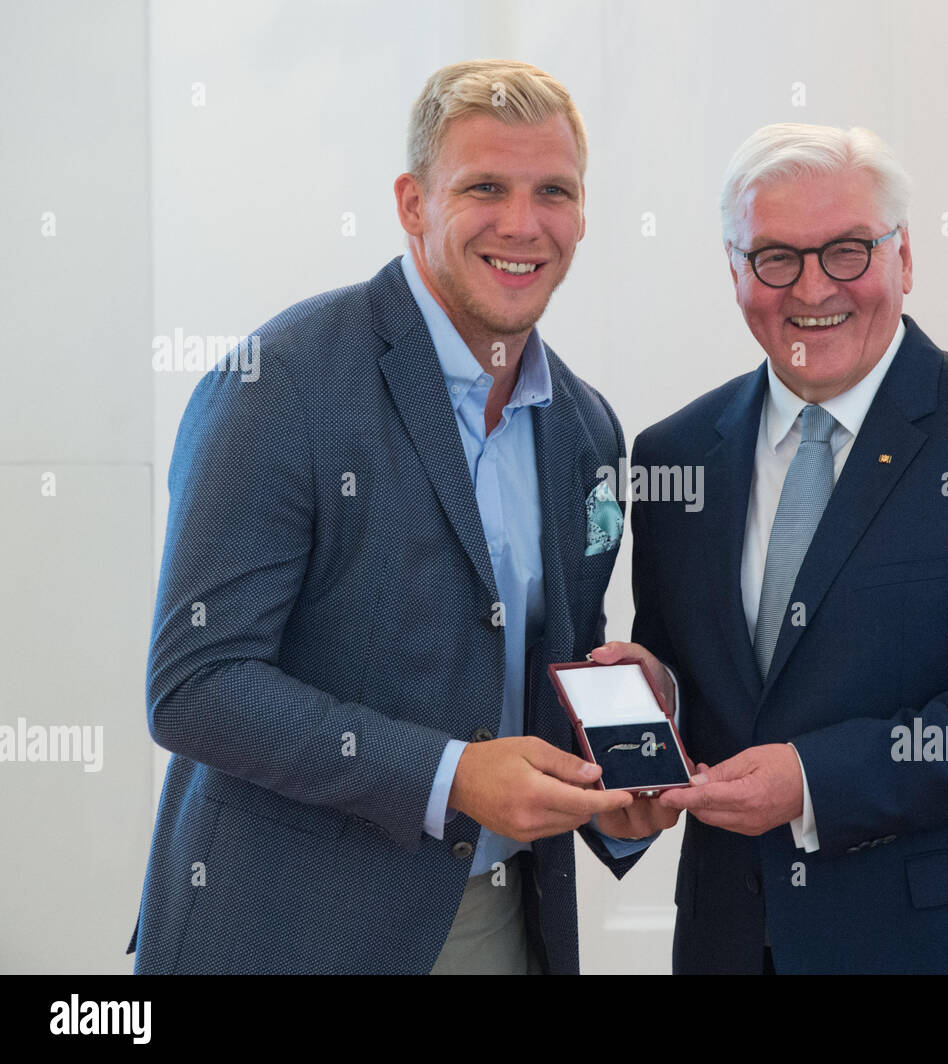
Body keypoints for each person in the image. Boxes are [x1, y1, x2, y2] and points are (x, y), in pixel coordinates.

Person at [126, 59, 664, 975]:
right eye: (484, 187)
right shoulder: (281, 384)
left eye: (554, 192)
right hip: (286, 934)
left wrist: (620, 765)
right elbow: (196, 686)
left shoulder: (585, 426)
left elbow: (545, 666)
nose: (523, 224)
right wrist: (449, 775)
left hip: (508, 926)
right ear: (413, 203)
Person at [627, 122, 948, 973]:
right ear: (736, 272)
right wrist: (649, 709)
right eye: (776, 256)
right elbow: (697, 679)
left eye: (849, 250)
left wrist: (817, 778)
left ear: (905, 259)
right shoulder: (672, 455)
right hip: (736, 942)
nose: (814, 286)